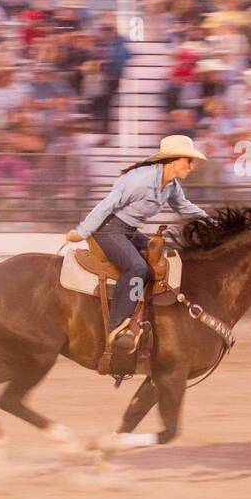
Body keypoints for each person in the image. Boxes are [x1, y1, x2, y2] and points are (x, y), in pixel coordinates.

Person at [65, 135, 210, 352]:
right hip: (108, 229)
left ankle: (145, 315)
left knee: (160, 261)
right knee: (137, 267)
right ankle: (117, 326)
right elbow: (107, 205)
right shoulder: (140, 180)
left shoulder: (171, 186)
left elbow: (185, 207)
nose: (191, 165)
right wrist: (82, 231)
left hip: (129, 232)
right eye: (187, 159)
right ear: (173, 160)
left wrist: (211, 221)